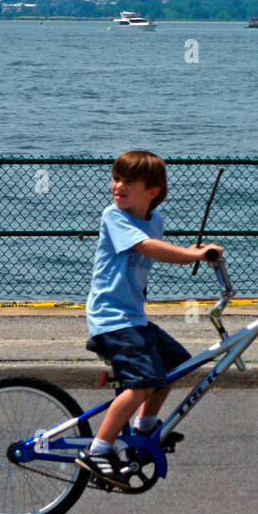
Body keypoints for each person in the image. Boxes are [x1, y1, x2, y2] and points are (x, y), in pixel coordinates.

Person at [75, 150, 220, 489]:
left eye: (128, 181)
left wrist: (194, 250)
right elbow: (148, 249)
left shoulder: (154, 220)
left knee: (175, 366)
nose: (118, 186)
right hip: (111, 318)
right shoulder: (114, 216)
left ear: (152, 191)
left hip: (133, 318)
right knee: (142, 381)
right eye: (116, 178)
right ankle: (99, 449)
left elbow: (156, 242)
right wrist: (191, 256)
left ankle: (145, 429)